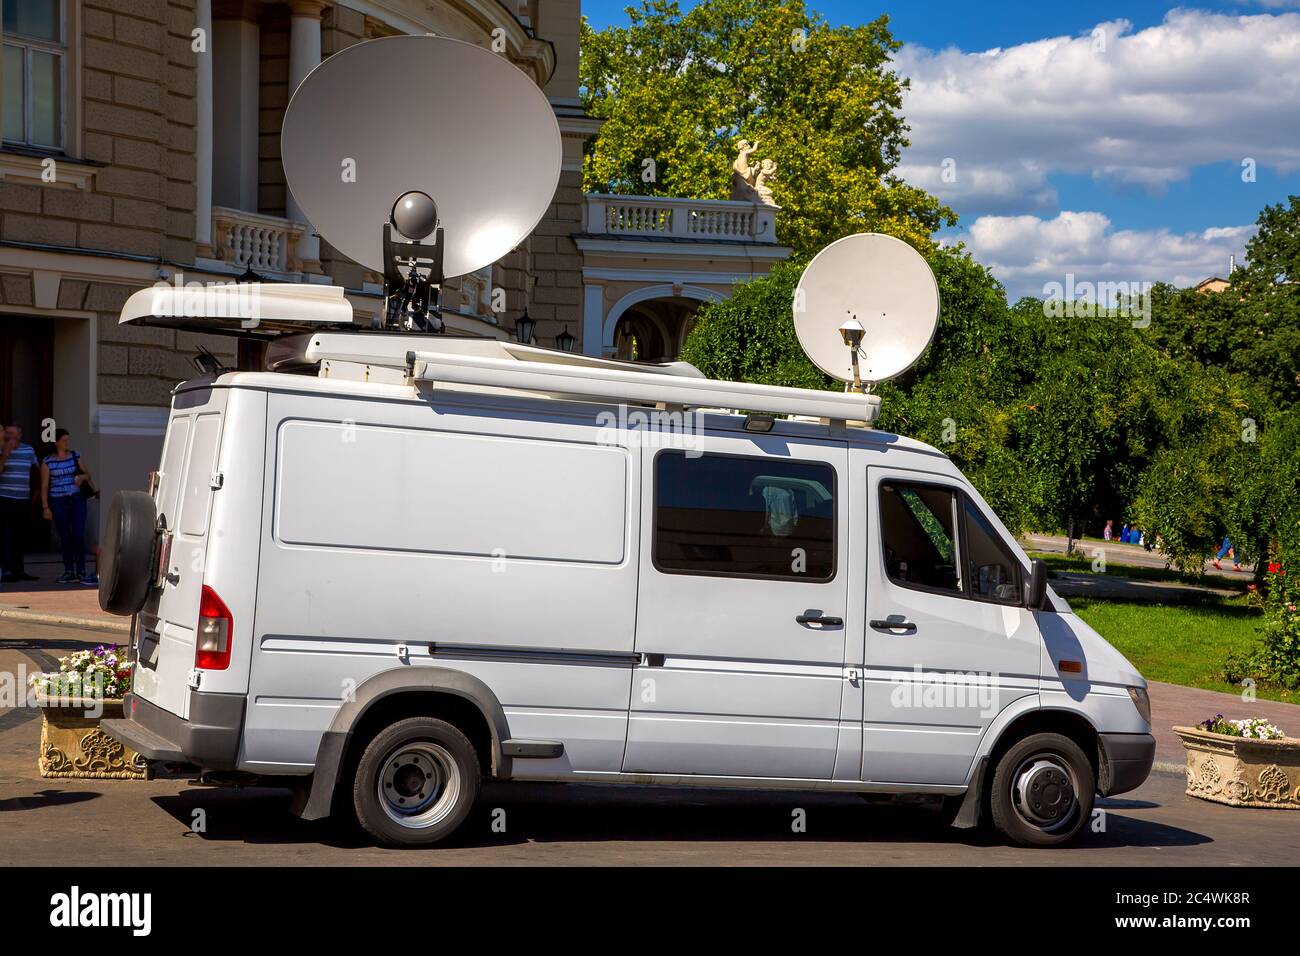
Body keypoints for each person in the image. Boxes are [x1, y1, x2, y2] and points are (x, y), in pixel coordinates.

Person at [41, 429, 97, 586]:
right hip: (57, 501)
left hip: (77, 500)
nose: (67, 443)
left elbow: (88, 475)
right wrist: (46, 507)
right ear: (56, 442)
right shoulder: (47, 462)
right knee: (65, 537)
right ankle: (68, 571)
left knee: (78, 535)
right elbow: (45, 486)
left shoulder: (75, 456)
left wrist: (81, 477)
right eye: (64, 440)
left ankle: (81, 571)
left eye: (68, 440)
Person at [0, 423, 39, 583]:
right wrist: (6, 453)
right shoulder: (1, 450)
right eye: (7, 433)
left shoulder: (28, 450)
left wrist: (37, 494)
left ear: (20, 434)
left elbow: (37, 470)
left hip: (23, 500)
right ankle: (7, 570)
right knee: (5, 536)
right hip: (5, 499)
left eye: (12, 433)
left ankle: (19, 570)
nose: (10, 436)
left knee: (20, 536)